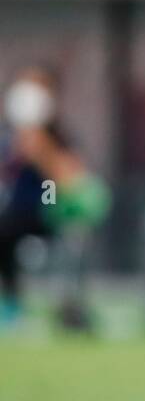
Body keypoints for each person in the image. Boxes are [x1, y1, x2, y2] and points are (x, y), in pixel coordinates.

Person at [0, 67, 109, 331]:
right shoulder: (8, 136)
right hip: (17, 212)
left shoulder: (60, 138)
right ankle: (12, 305)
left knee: (73, 237)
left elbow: (73, 182)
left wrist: (41, 151)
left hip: (50, 212)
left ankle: (71, 310)